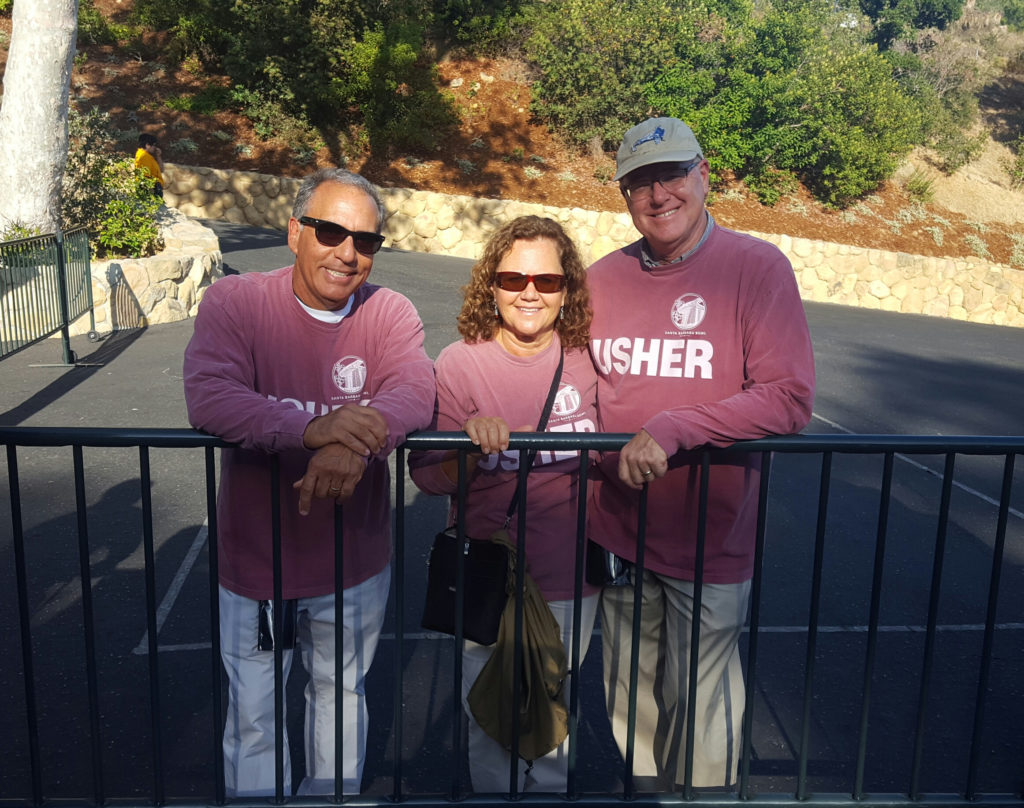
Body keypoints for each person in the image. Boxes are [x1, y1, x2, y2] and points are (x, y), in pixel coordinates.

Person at [183, 168, 434, 796]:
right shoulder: (235, 302)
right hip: (259, 563)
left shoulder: (391, 312)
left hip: (355, 564)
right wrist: (311, 432)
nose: (347, 253)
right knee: (255, 718)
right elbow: (211, 396)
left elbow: (414, 391)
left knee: (342, 699)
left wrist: (354, 438)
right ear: (295, 231)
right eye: (330, 231)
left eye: (366, 241)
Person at [587, 117, 816, 789]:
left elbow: (789, 398)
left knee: (704, 710)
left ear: (704, 174)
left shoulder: (757, 267)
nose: (658, 196)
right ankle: (645, 796)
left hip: (708, 543)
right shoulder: (601, 279)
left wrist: (675, 427)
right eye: (639, 183)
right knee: (629, 701)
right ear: (624, 195)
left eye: (671, 176)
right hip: (618, 532)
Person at [408, 215, 599, 792]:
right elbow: (428, 478)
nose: (530, 292)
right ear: (491, 285)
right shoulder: (461, 363)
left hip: (571, 575)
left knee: (554, 714)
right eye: (513, 277)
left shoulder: (589, 357)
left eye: (547, 279)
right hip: (490, 576)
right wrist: (467, 448)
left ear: (568, 288)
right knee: (489, 719)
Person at [134, 133, 165, 198]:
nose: (155, 148)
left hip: (156, 187)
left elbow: (161, 170)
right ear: (147, 145)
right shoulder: (143, 156)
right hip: (151, 189)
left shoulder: (148, 156)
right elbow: (145, 176)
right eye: (154, 145)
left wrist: (158, 156)